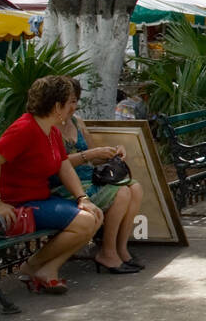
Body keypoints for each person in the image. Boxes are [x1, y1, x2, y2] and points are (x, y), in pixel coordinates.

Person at [0, 75, 105, 295]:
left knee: (94, 214)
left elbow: (64, 166)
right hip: (19, 205)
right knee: (85, 222)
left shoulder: (52, 130)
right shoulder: (25, 128)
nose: (72, 108)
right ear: (57, 106)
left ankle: (48, 269)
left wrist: (82, 198)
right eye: (69, 103)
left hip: (39, 199)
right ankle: (32, 266)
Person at [55, 78, 146, 273]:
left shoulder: (76, 121)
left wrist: (111, 152)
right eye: (69, 101)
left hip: (90, 177)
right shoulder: (48, 126)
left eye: (75, 100)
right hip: (65, 185)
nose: (73, 106)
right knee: (121, 193)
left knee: (135, 188)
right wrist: (89, 155)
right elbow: (55, 163)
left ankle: (121, 249)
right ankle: (108, 251)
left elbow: (93, 155)